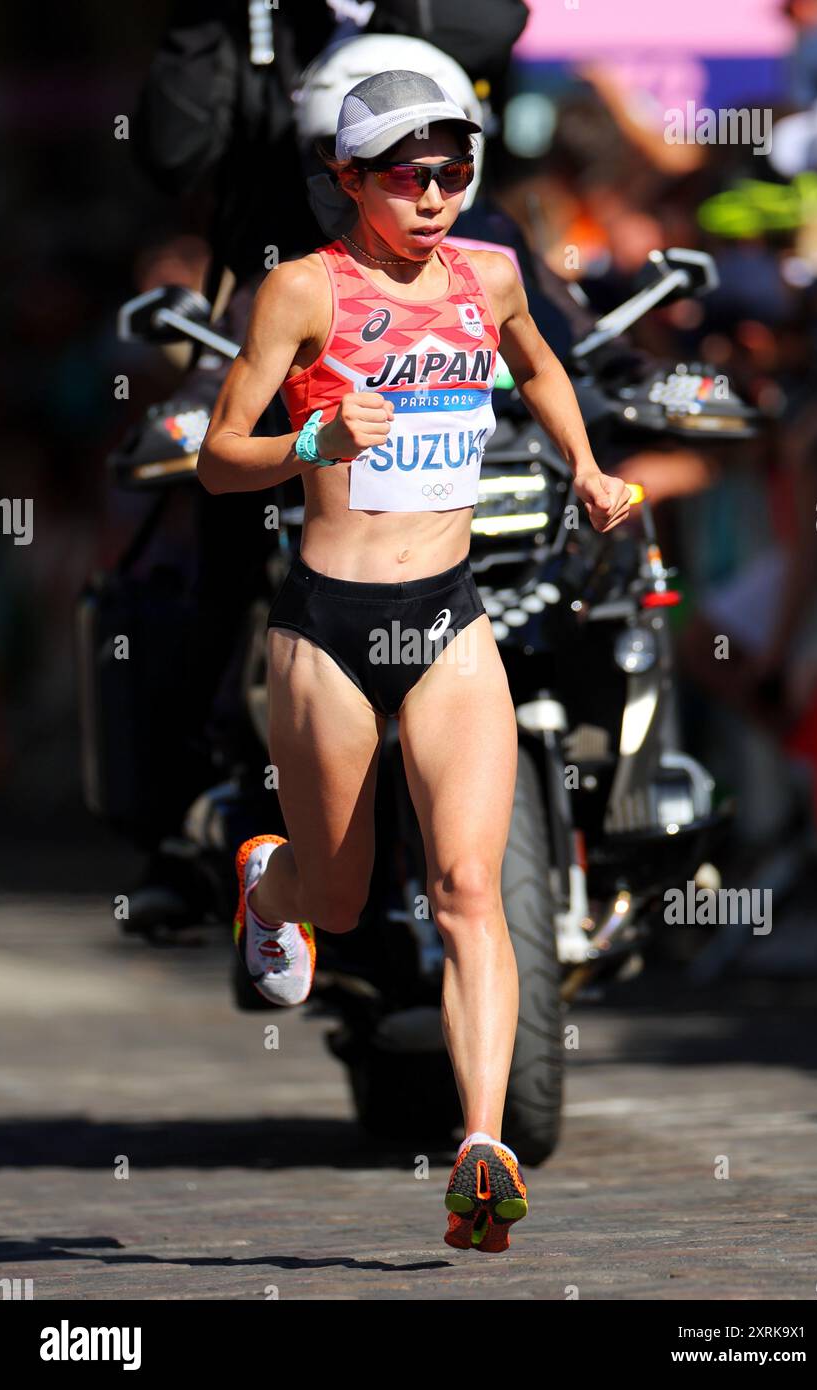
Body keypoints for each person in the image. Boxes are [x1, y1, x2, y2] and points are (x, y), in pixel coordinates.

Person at [197, 69, 631, 1253]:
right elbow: (218, 459)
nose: (436, 194)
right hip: (326, 626)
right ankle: (268, 884)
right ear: (349, 178)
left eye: (454, 171)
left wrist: (585, 467)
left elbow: (538, 364)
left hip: (450, 617)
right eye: (407, 174)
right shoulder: (299, 291)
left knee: (469, 890)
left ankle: (478, 1144)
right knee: (337, 898)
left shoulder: (488, 274)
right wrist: (310, 439)